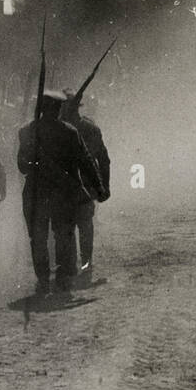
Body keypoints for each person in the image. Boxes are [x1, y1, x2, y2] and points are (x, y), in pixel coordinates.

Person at [17, 90, 108, 294]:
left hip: (43, 193)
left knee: (43, 237)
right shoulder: (63, 131)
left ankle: (47, 277)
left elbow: (22, 166)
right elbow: (85, 162)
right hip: (56, 193)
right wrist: (98, 186)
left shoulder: (29, 131)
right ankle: (57, 277)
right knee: (57, 235)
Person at [59, 89, 111, 273]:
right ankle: (82, 263)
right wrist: (104, 186)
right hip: (73, 186)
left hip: (76, 186)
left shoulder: (60, 129)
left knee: (76, 226)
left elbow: (102, 159)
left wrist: (104, 186)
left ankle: (80, 264)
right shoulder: (58, 129)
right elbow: (104, 160)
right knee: (80, 226)